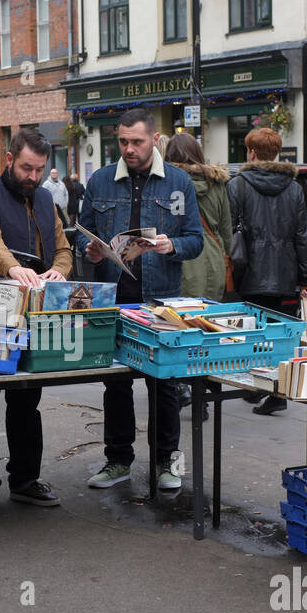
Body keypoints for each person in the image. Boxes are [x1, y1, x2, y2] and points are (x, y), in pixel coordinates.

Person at [78, 108, 202, 492]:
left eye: (137, 142)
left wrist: (171, 245)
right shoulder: (99, 181)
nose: (129, 149)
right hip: (113, 300)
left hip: (160, 301)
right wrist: (90, 249)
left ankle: (170, 464)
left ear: (155, 139)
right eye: (123, 142)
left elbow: (197, 240)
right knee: (115, 385)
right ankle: (117, 461)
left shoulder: (179, 182)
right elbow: (81, 233)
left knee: (165, 384)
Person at [0, 128, 73, 515]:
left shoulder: (45, 198)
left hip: (35, 314)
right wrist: (13, 269)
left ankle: (25, 480)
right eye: (27, 168)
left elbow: (62, 248)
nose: (33, 177)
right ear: (9, 160)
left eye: (40, 169)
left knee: (27, 400)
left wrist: (59, 271)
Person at [228, 126, 307, 416]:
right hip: (285, 273)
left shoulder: (237, 185)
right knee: (278, 335)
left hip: (248, 270)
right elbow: (302, 236)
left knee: (252, 332)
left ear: (251, 152)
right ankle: (275, 391)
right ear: (276, 153)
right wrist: (306, 278)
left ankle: (256, 386)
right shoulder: (294, 188)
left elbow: (230, 231)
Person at [164, 134, 232, 303]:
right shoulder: (217, 182)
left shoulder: (170, 183)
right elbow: (226, 229)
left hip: (181, 258)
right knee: (210, 321)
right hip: (214, 259)